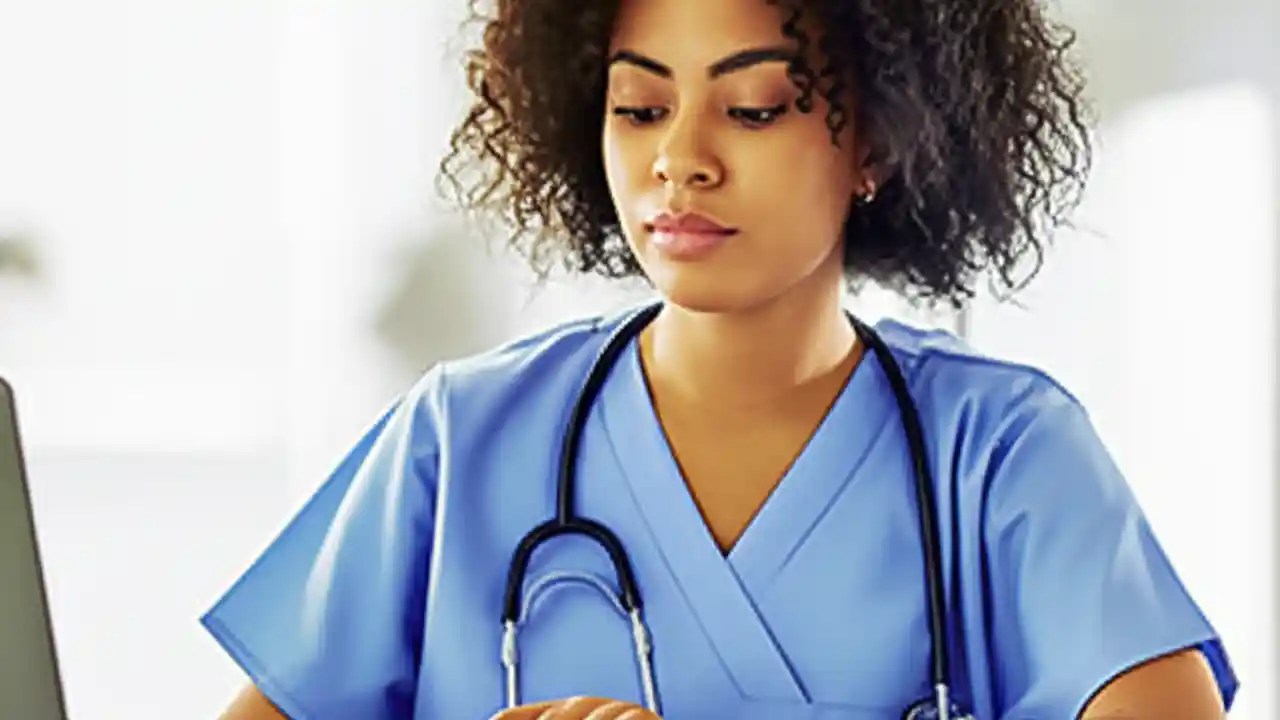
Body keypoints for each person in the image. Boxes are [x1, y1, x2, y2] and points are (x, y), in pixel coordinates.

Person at [204, 0, 1238, 717]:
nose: (678, 159)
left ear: (875, 142)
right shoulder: (459, 439)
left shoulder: (1000, 453)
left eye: (751, 109)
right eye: (639, 107)